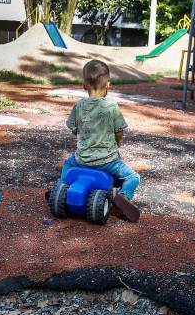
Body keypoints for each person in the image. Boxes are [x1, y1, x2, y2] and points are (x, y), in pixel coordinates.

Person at [59, 59, 141, 221]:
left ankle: (62, 186)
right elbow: (119, 131)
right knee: (133, 177)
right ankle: (123, 197)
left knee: (68, 164)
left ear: (84, 85)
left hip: (81, 159)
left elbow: (74, 130)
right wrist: (117, 143)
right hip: (107, 160)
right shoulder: (111, 106)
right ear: (108, 85)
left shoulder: (79, 106)